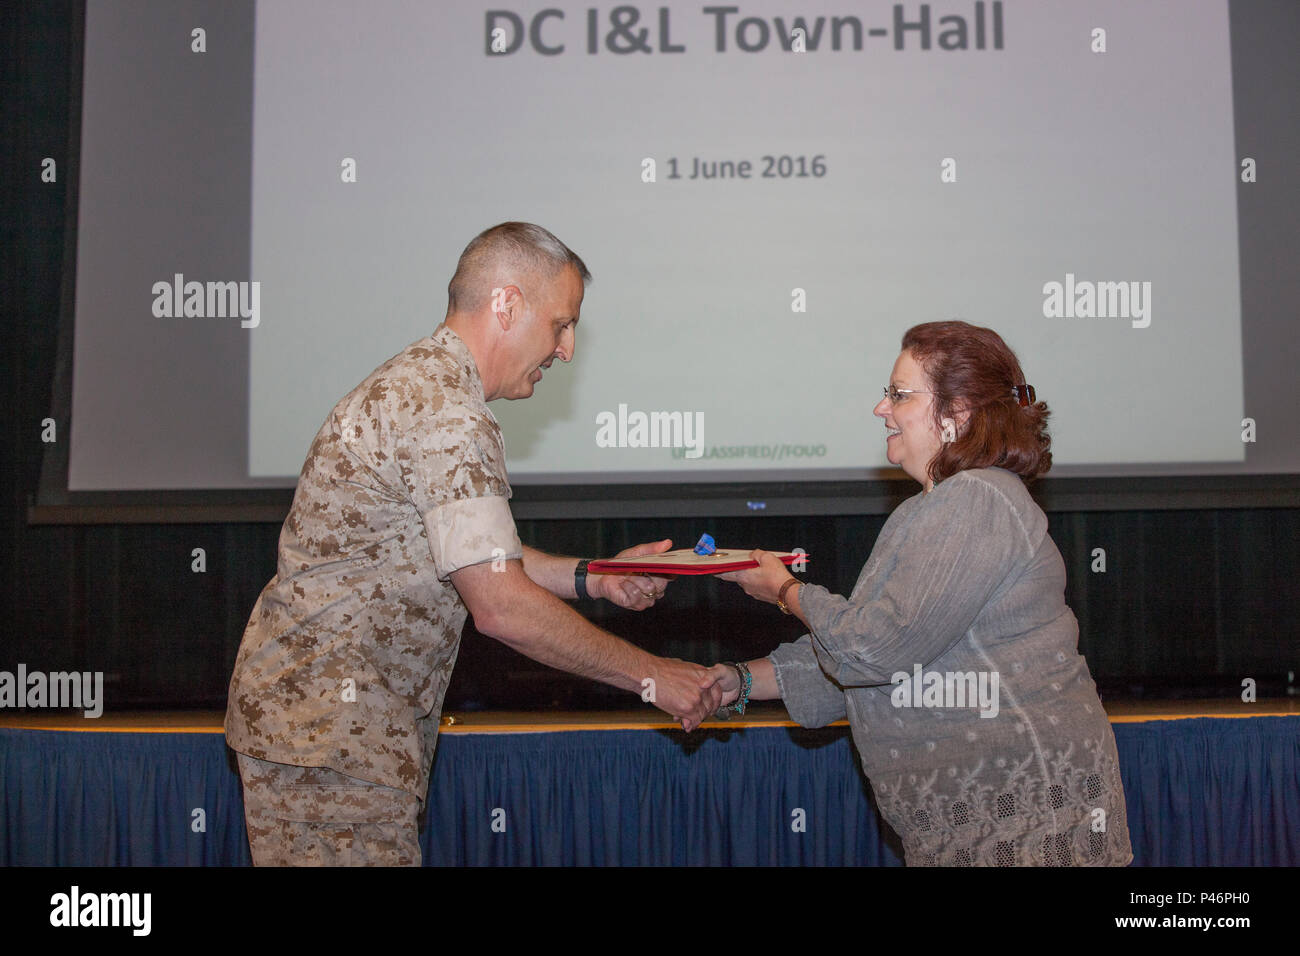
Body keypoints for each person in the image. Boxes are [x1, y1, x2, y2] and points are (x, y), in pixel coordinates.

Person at [225, 222, 721, 866]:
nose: (566, 350)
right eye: (561, 325)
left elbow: (473, 558)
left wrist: (593, 577)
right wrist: (655, 676)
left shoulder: (421, 384)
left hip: (324, 735)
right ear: (507, 304)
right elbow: (500, 605)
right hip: (330, 741)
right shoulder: (448, 415)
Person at [713, 321, 1132, 866]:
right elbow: (865, 663)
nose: (880, 409)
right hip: (968, 825)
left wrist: (784, 591)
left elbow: (875, 648)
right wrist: (733, 682)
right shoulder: (931, 510)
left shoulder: (976, 499)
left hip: (1028, 824)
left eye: (899, 395)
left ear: (957, 415)